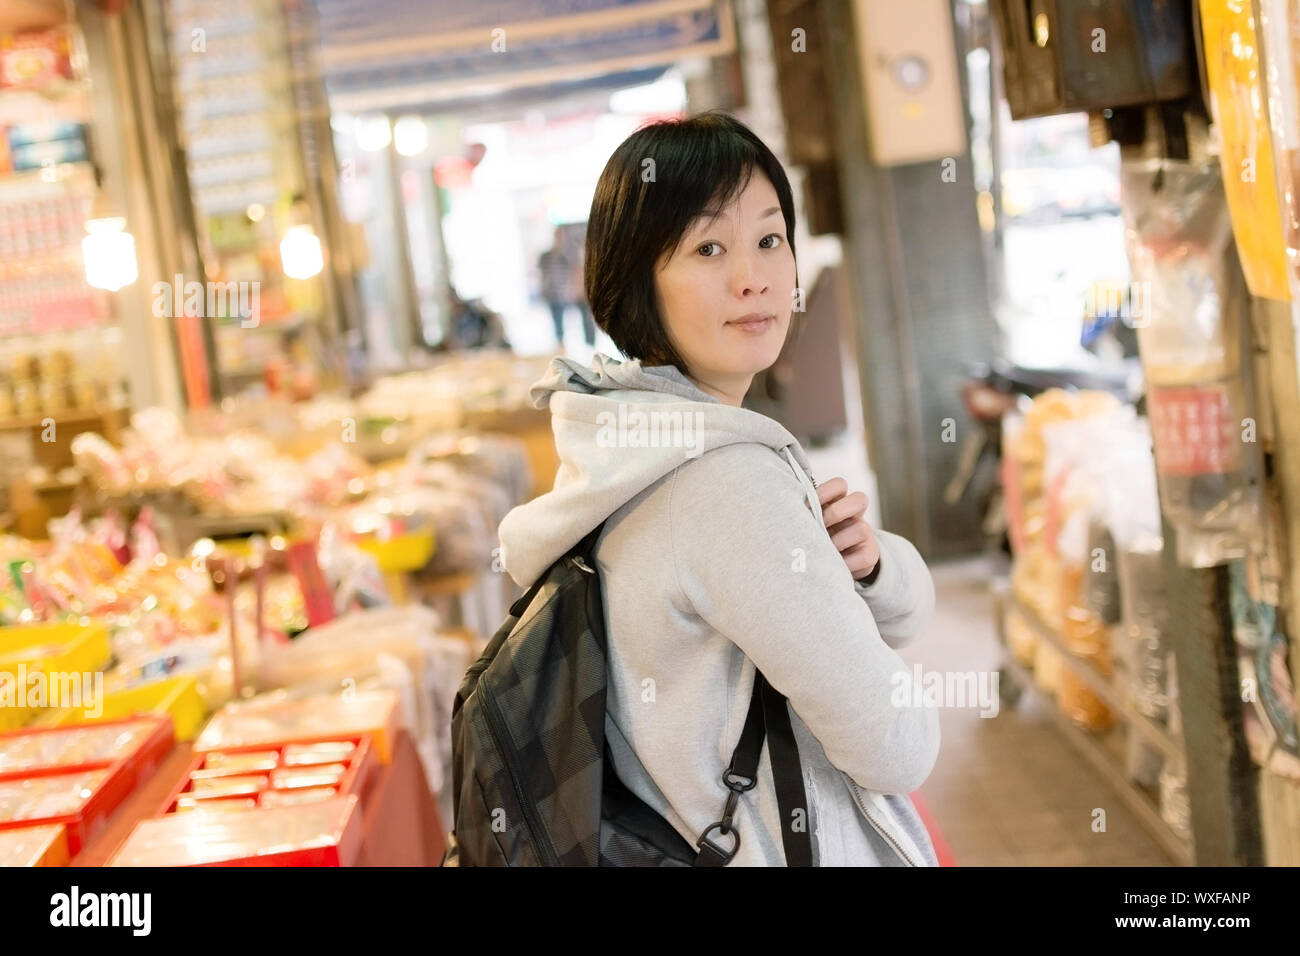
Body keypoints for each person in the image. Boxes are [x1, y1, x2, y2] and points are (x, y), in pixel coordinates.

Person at [498, 111, 940, 866]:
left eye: (770, 239)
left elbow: (899, 611)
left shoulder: (623, 449)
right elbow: (897, 746)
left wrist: (865, 570)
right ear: (638, 281)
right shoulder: (724, 483)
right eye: (708, 247)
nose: (754, 276)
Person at [538, 226, 596, 348]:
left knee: (584, 319)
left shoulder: (567, 256)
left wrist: (574, 289)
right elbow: (541, 275)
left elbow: (574, 272)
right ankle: (560, 345)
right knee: (557, 322)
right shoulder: (545, 256)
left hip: (566, 294)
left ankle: (588, 345)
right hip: (552, 293)